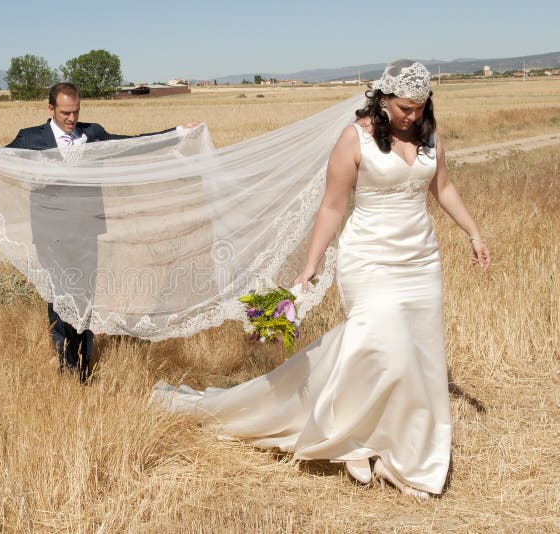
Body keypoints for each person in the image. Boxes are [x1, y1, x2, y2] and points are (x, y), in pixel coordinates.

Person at [151, 60, 491, 500]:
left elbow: (442, 187)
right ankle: (348, 436)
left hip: (421, 263)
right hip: (369, 261)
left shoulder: (428, 136)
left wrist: (474, 232)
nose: (413, 116)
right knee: (388, 346)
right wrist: (310, 266)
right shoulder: (355, 138)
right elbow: (332, 206)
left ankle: (401, 451)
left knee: (421, 358)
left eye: (420, 107)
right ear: (384, 99)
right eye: (406, 108)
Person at [6, 82, 197, 382]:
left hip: (87, 230)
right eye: (66, 113)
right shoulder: (30, 138)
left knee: (85, 299)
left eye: (76, 111)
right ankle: (66, 366)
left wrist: (177, 133)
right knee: (60, 298)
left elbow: (131, 144)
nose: (72, 118)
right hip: (51, 234)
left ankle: (85, 366)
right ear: (51, 109)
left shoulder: (92, 133)